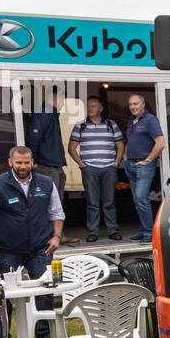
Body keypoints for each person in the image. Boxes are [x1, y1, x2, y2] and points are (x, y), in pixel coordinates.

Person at [0, 146, 65, 338]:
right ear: (10, 162)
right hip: (8, 249)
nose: (23, 166)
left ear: (32, 162)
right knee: (6, 295)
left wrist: (57, 237)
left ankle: (44, 334)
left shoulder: (46, 183)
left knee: (45, 290)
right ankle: (4, 336)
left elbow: (57, 213)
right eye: (18, 163)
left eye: (26, 162)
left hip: (41, 247)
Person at [68, 95, 126, 242]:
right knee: (92, 203)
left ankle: (113, 231)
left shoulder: (111, 125)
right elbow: (72, 148)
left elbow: (120, 144)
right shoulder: (80, 125)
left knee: (109, 202)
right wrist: (83, 165)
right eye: (88, 106)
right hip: (90, 169)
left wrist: (116, 163)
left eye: (93, 106)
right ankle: (93, 232)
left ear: (101, 108)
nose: (90, 108)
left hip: (109, 168)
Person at [24, 87, 76, 243]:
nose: (63, 103)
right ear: (55, 98)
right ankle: (49, 237)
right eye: (63, 100)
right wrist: (31, 160)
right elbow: (33, 138)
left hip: (56, 165)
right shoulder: (44, 114)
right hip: (47, 167)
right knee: (49, 203)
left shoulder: (52, 115)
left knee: (57, 203)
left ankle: (58, 235)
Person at [122, 93, 165, 242]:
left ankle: (149, 233)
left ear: (143, 105)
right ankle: (144, 230)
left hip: (143, 166)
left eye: (135, 104)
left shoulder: (150, 120)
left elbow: (160, 143)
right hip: (131, 165)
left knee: (141, 198)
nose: (132, 107)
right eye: (130, 104)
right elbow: (130, 141)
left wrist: (148, 160)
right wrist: (125, 158)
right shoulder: (132, 121)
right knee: (137, 200)